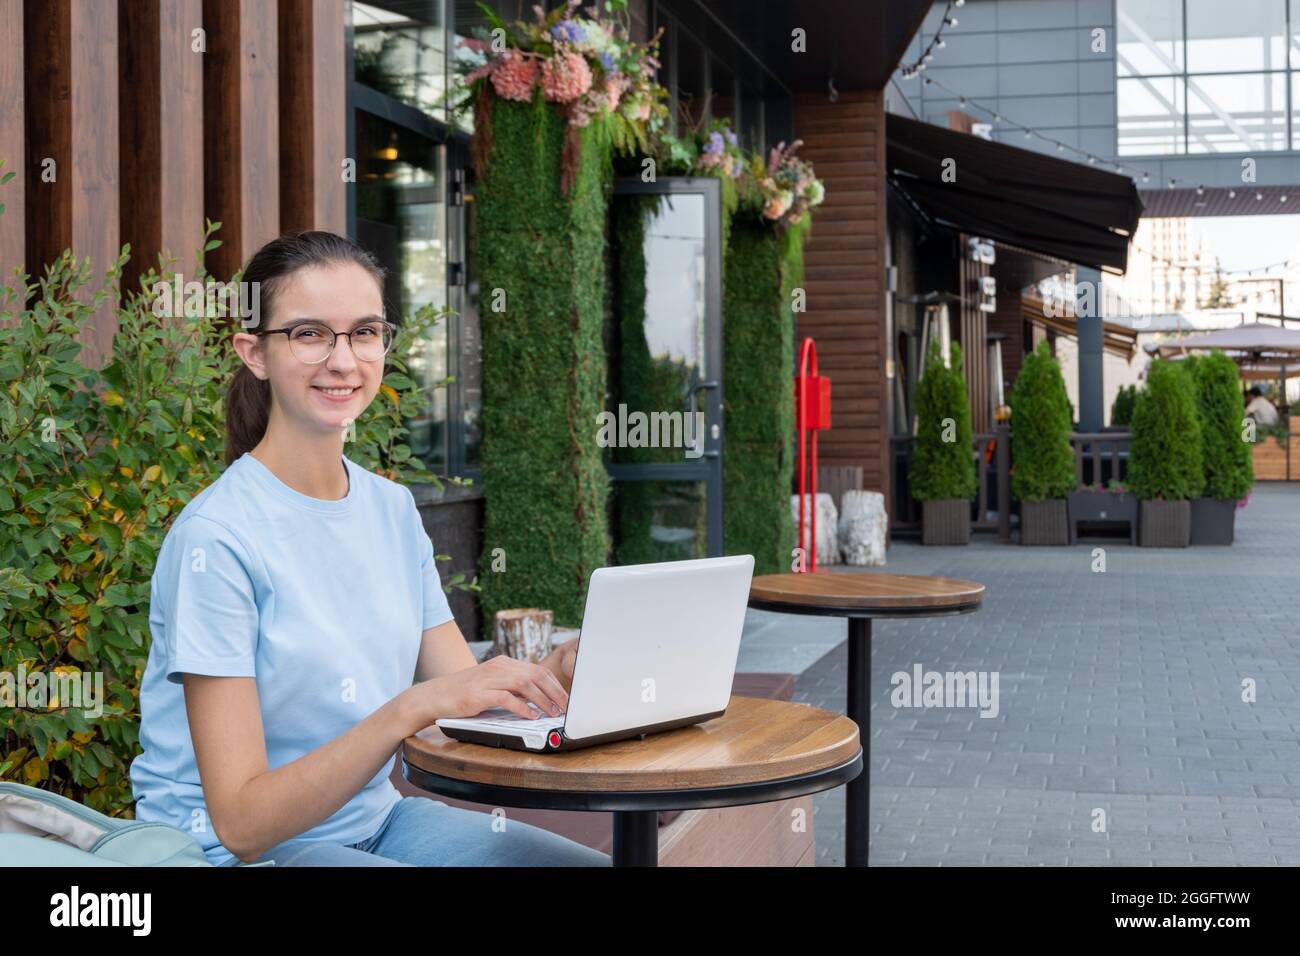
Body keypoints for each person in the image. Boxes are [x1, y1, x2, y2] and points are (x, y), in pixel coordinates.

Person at [130, 231, 610, 867]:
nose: (343, 360)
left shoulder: (391, 508)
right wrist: (406, 709)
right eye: (308, 333)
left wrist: (555, 675)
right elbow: (244, 823)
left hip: (376, 825)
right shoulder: (216, 539)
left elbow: (455, 699)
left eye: (364, 332)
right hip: (232, 854)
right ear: (255, 353)